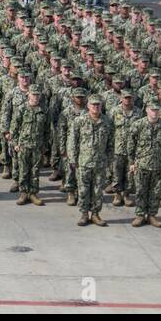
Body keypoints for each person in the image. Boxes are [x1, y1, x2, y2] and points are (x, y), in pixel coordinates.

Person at [68, 95, 113, 226]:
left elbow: (111, 142)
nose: (95, 107)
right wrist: (73, 158)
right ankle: (84, 214)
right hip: (84, 161)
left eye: (98, 104)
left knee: (98, 190)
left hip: (100, 162)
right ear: (88, 106)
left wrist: (109, 159)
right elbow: (73, 141)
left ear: (101, 106)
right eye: (93, 104)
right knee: (83, 189)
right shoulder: (80, 121)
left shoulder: (107, 121)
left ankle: (95, 214)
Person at [128, 100, 161, 228]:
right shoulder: (138, 125)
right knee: (141, 190)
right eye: (152, 110)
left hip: (158, 164)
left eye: (157, 110)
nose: (155, 112)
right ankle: (140, 215)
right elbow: (131, 144)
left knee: (156, 191)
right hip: (141, 164)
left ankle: (152, 215)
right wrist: (131, 162)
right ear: (147, 110)